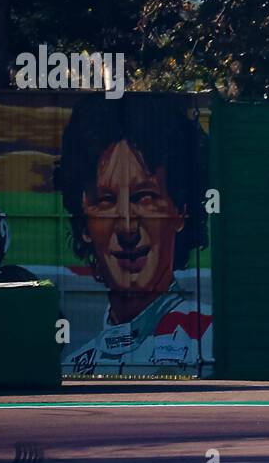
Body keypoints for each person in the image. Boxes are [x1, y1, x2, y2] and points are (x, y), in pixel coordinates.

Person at [54, 93, 211, 375]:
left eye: (145, 197)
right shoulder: (80, 362)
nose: (127, 227)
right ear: (83, 224)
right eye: (105, 200)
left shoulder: (208, 342)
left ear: (180, 211)